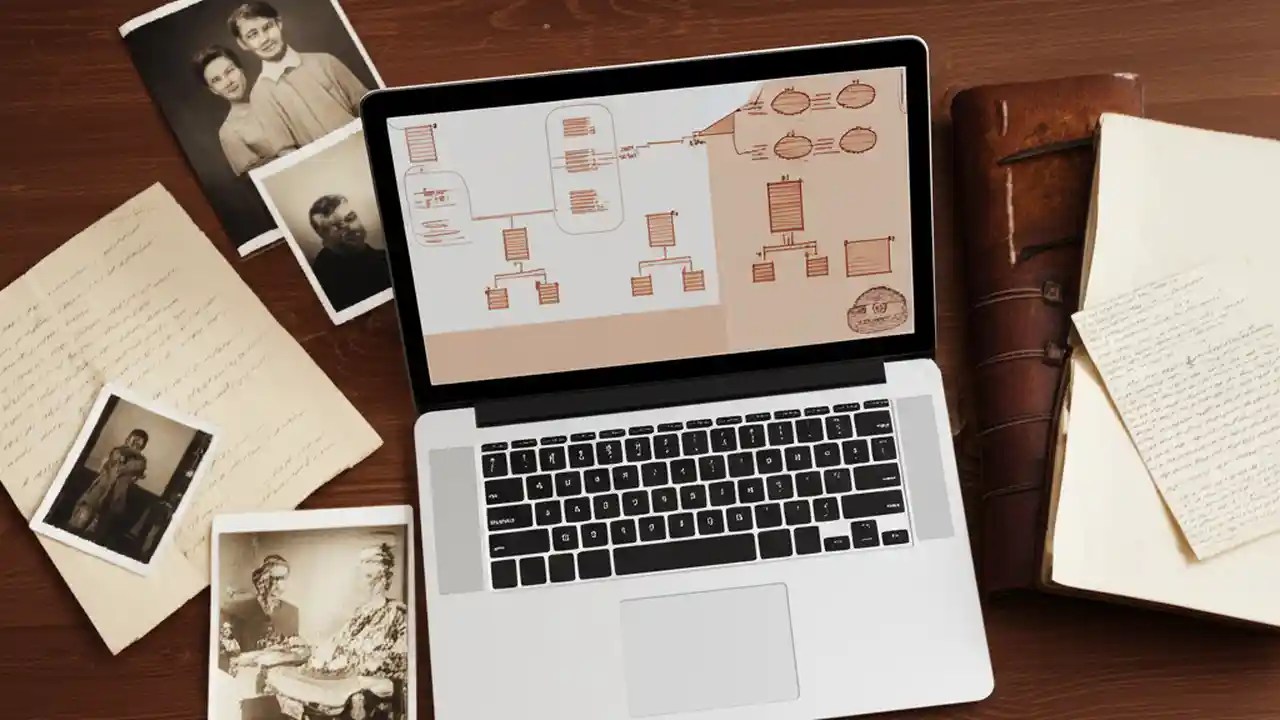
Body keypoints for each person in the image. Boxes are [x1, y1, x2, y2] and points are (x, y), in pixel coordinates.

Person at [227, 2, 370, 145]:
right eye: (253, 35)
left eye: (267, 27)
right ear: (243, 44)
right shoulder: (260, 96)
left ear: (279, 23)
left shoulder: (325, 62)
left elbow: (367, 106)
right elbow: (285, 151)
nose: (264, 39)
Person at [193, 44, 296, 176]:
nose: (228, 82)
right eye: (216, 80)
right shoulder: (229, 132)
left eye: (229, 71)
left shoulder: (275, 92)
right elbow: (257, 179)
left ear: (240, 69)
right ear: (213, 90)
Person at [307, 194, 391, 311]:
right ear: (323, 238)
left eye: (351, 218)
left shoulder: (385, 258)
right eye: (336, 227)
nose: (350, 228)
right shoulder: (323, 274)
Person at [67, 429, 149, 541]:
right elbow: (115, 458)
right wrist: (124, 453)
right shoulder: (117, 451)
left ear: (143, 446)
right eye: (133, 439)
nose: (135, 443)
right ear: (127, 439)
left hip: (114, 500)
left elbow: (130, 467)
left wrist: (130, 454)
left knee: (94, 533)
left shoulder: (141, 461)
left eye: (139, 442)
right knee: (78, 522)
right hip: (97, 494)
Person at [221, 554, 301, 658]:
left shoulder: (291, 612)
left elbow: (294, 649)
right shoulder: (239, 610)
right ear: (261, 580)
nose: (277, 584)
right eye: (272, 578)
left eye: (282, 578)